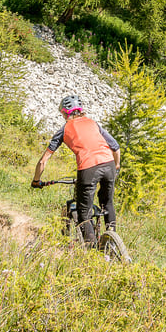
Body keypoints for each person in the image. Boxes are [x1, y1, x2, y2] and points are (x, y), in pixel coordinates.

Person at [31, 94, 120, 245]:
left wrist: (36, 181)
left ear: (65, 113)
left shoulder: (65, 129)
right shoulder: (93, 123)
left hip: (88, 167)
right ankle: (112, 242)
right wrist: (116, 167)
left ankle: (90, 249)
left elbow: (43, 161)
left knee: (83, 212)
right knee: (107, 203)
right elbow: (115, 147)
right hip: (109, 164)